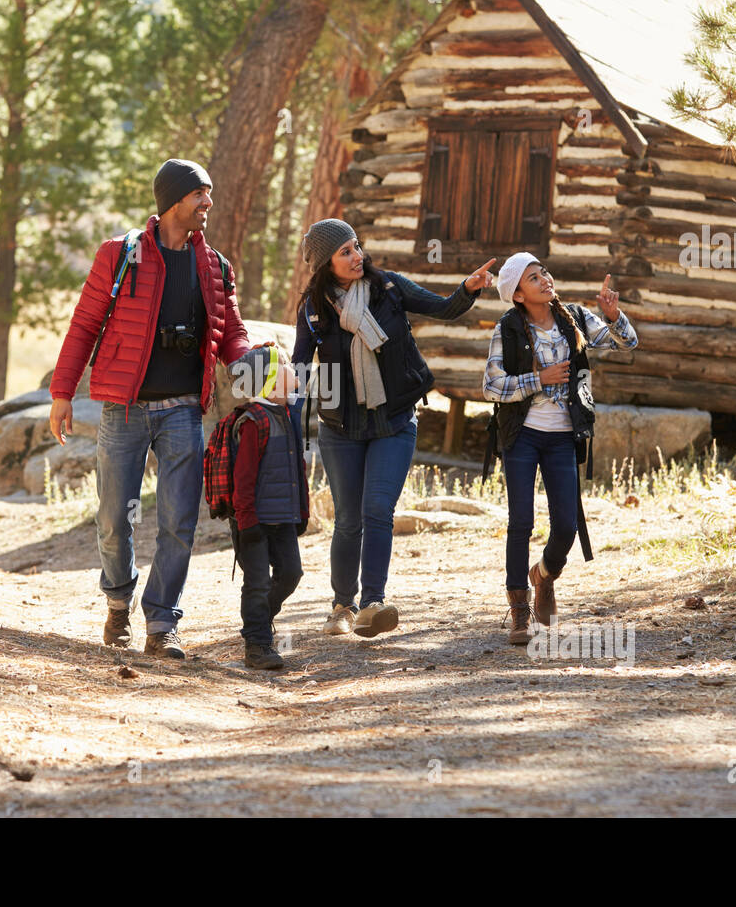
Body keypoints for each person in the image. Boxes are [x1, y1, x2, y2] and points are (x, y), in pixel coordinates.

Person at [47, 159, 252, 659]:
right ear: (174, 200)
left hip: (183, 409)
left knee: (179, 520)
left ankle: (162, 623)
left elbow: (232, 333)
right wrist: (62, 392)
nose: (208, 204)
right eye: (200, 194)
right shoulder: (121, 255)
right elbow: (85, 324)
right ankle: (119, 602)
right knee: (115, 518)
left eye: (209, 193)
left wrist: (255, 367)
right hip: (124, 409)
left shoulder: (214, 265)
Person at [291, 219, 494, 638]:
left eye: (357, 247)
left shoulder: (389, 288)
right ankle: (341, 606)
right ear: (326, 263)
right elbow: (299, 366)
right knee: (348, 519)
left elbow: (443, 308)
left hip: (394, 421)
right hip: (340, 427)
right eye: (345, 252)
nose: (357, 256)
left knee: (377, 510)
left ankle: (372, 604)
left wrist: (468, 288)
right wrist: (284, 414)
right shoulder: (312, 309)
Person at [482, 253, 638, 645]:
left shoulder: (575, 318)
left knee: (566, 526)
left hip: (563, 436)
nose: (545, 280)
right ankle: (519, 610)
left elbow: (627, 344)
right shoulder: (508, 329)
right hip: (523, 435)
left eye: (544, 273)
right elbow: (491, 385)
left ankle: (544, 575)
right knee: (521, 522)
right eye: (534, 279)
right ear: (518, 295)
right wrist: (539, 378)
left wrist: (614, 315)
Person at [224, 345, 308, 670]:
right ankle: (257, 645)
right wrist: (247, 523)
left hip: (284, 518)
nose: (294, 369)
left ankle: (258, 621)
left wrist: (301, 513)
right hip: (253, 522)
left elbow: (295, 470)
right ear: (271, 383)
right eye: (286, 365)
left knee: (291, 573)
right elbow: (243, 480)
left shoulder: (285, 415)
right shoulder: (252, 422)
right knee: (257, 581)